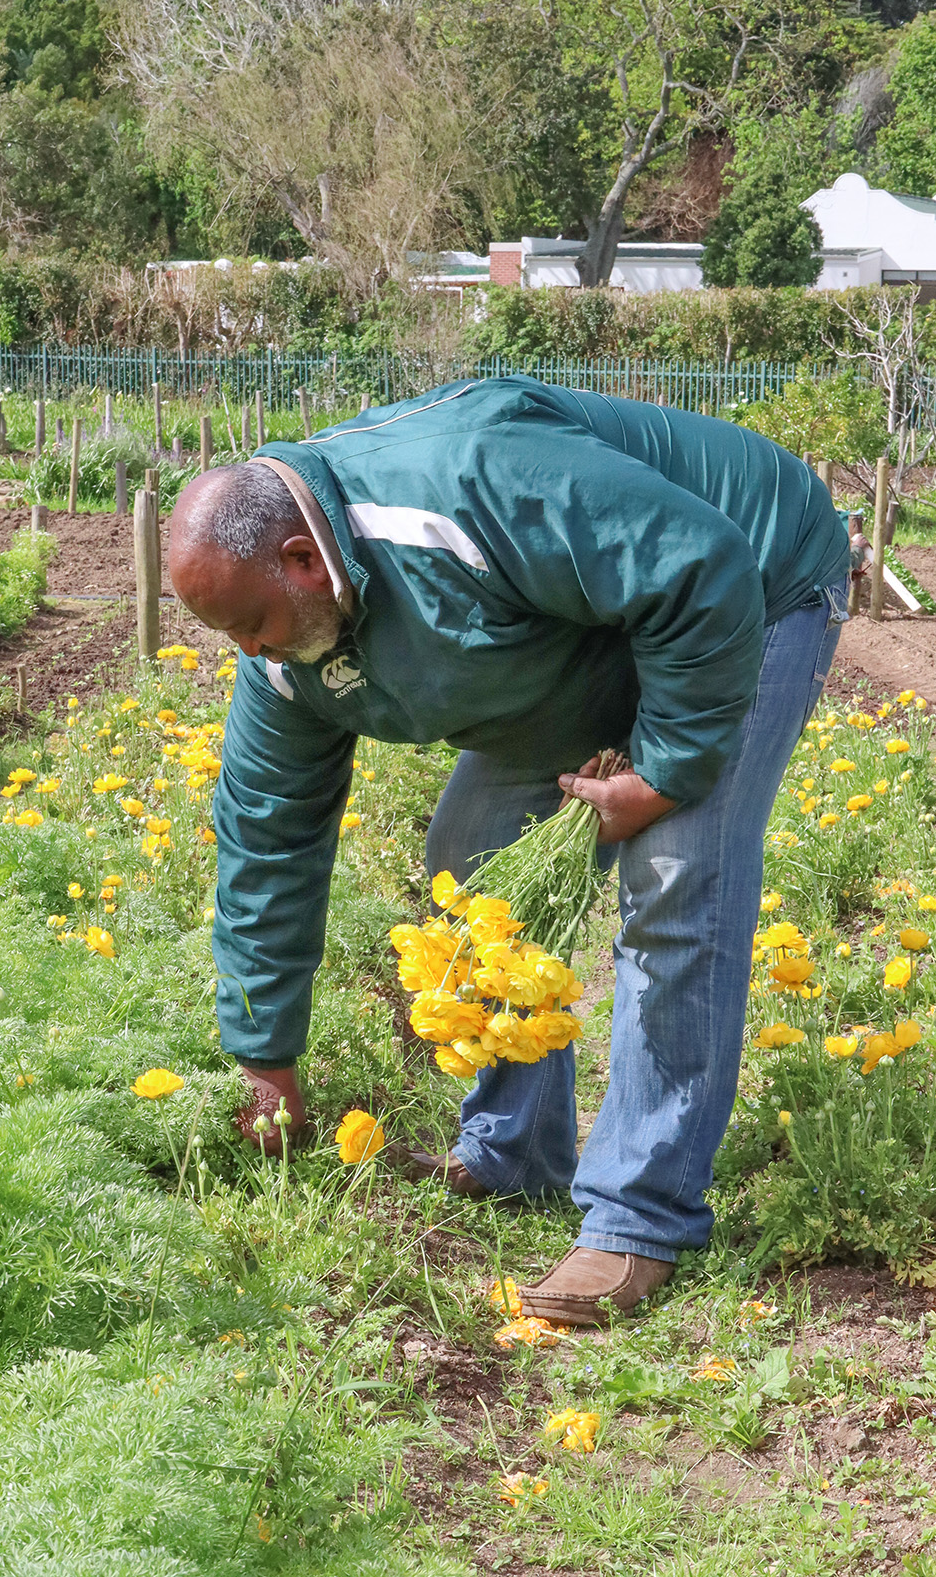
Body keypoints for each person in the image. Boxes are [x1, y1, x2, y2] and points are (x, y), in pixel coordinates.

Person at [168, 376, 849, 1326]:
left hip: (747, 579)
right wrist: (265, 1057)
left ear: (301, 559)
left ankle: (636, 1222)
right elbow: (267, 838)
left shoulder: (465, 484)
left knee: (674, 873)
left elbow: (699, 568)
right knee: (476, 854)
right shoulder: (283, 661)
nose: (249, 652)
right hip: (592, 625)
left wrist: (658, 777)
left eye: (250, 625)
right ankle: (514, 1149)